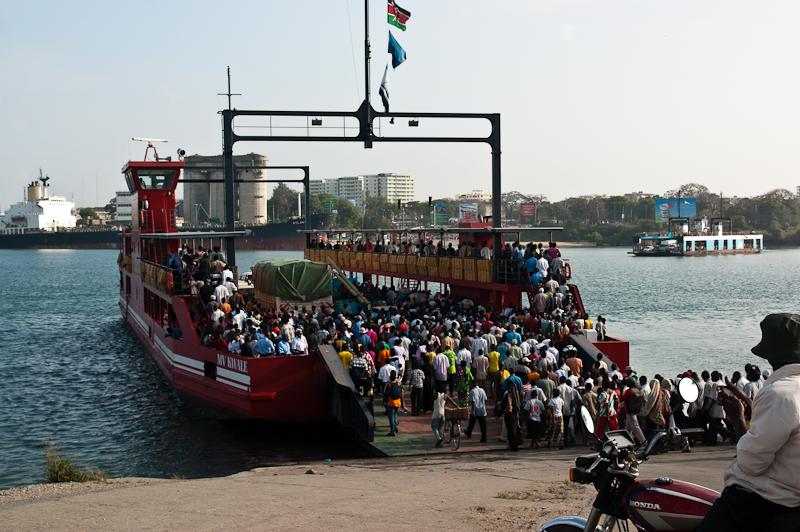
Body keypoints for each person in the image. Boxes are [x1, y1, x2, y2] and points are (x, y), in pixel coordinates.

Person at [699, 313, 800, 531]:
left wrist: (737, 419)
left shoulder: (779, 393)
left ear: (770, 355)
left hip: (761, 501)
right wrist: (746, 404)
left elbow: (751, 464)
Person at [383, 370, 402, 437]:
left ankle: (392, 431)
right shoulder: (398, 383)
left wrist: (385, 401)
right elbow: (401, 392)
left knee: (391, 417)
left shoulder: (389, 384)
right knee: (395, 414)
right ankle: (395, 427)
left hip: (391, 402)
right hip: (398, 402)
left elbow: (386, 393)